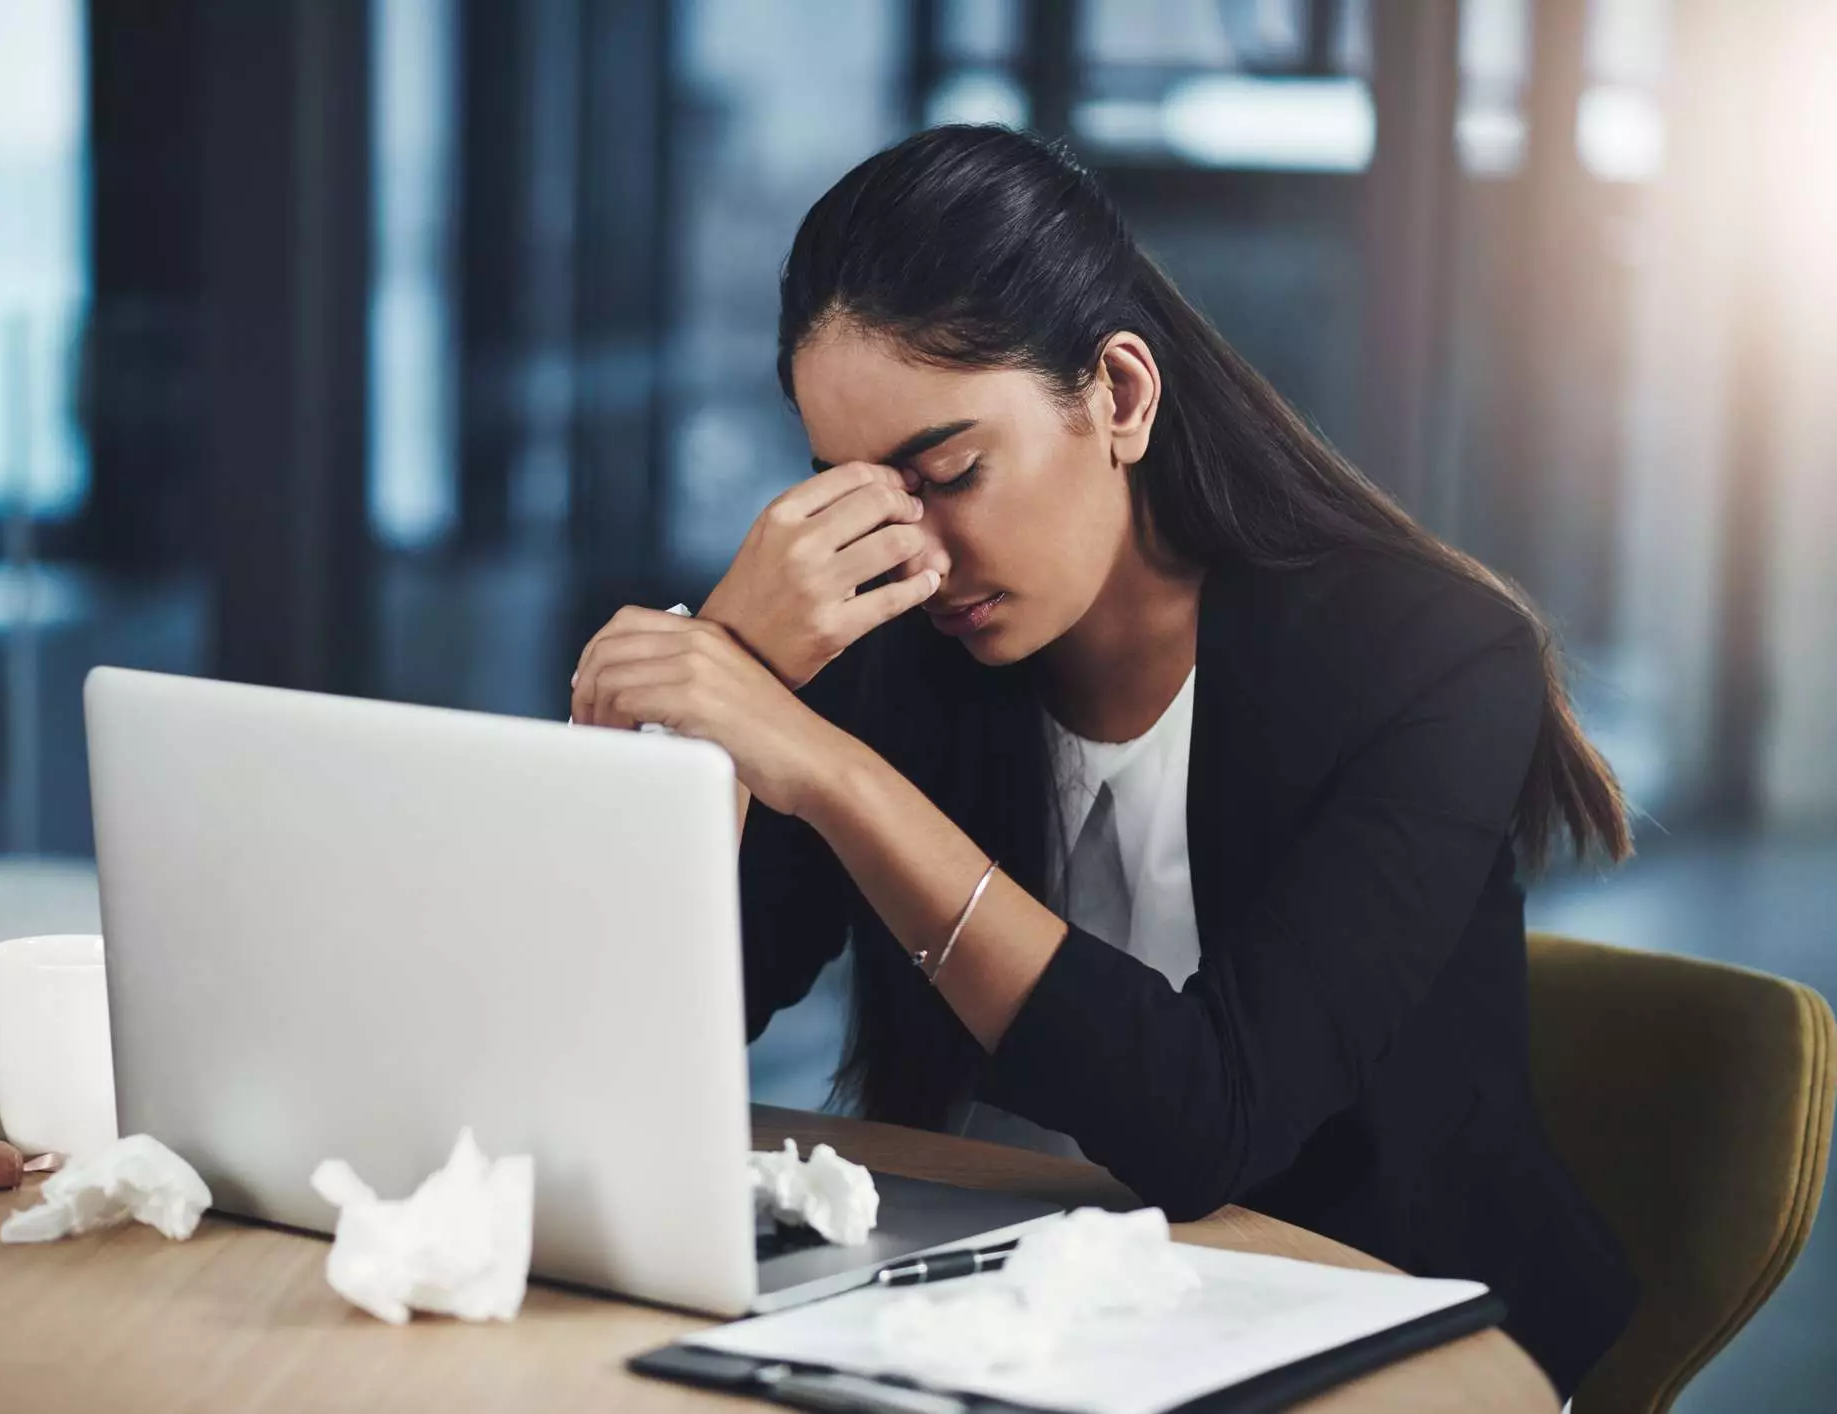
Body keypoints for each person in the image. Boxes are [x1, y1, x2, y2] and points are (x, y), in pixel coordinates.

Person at [569, 125, 1637, 1398]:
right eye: (847, 494)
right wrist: (730, 692)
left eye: (950, 470)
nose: (907, 548)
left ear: (1120, 397)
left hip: (1381, 1333)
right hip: (995, 1318)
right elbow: (631, 1048)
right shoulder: (889, 640)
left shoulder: (1432, 663)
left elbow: (1210, 1127)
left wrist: (838, 779)